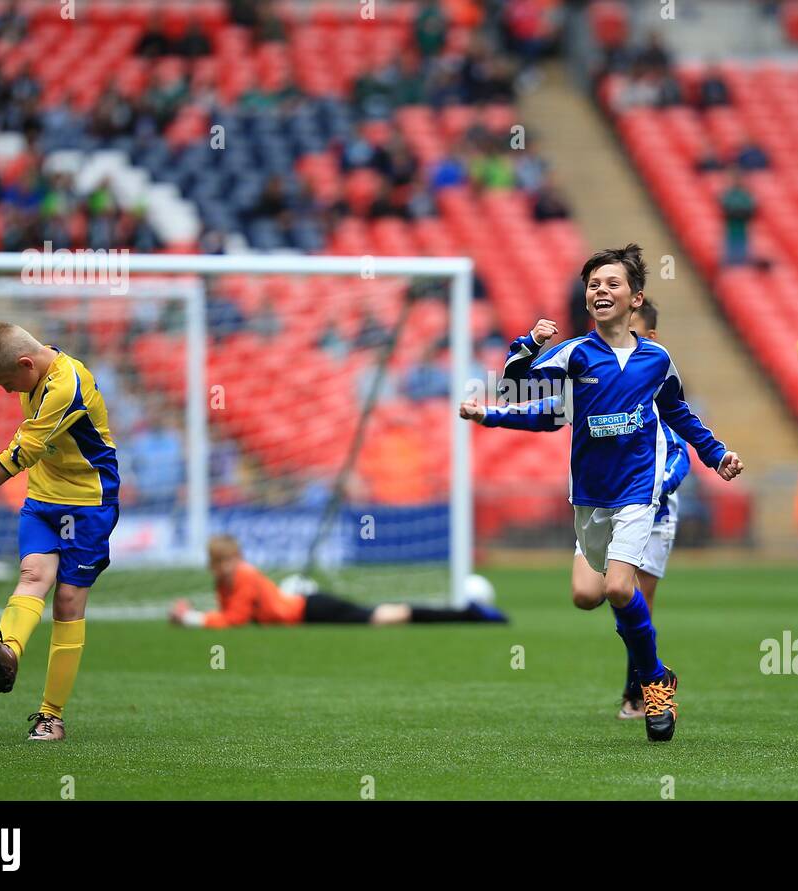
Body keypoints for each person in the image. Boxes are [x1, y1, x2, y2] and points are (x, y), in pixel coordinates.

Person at [460, 244, 744, 742]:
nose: (600, 291)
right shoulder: (575, 354)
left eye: (612, 283)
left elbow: (680, 415)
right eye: (593, 284)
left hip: (638, 494)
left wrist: (716, 454)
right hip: (590, 498)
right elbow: (514, 387)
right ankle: (653, 671)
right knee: (586, 596)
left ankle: (653, 683)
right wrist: (527, 343)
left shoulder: (656, 360)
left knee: (619, 588)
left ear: (636, 298)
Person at [469, 299, 689, 720]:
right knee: (586, 596)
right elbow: (543, 413)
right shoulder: (592, 382)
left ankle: (641, 692)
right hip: (601, 504)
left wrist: (654, 485)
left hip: (651, 512)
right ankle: (651, 676)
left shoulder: (657, 388)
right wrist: (489, 416)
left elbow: (681, 453)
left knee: (629, 594)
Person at [0, 323, 121, 742]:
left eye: (8, 384)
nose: (9, 393)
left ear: (27, 365)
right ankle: (6, 654)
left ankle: (52, 715)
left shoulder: (67, 387)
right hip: (43, 500)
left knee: (67, 600)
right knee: (32, 576)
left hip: (88, 503)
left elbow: (16, 457)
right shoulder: (36, 366)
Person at [169, 536, 506, 628]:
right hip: (307, 609)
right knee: (386, 617)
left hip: (311, 610)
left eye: (231, 559)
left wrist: (190, 618)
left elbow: (235, 620)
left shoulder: (243, 575)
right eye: (222, 561)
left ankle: (469, 615)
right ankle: (467, 614)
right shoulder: (226, 581)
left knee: (386, 617)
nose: (229, 566)